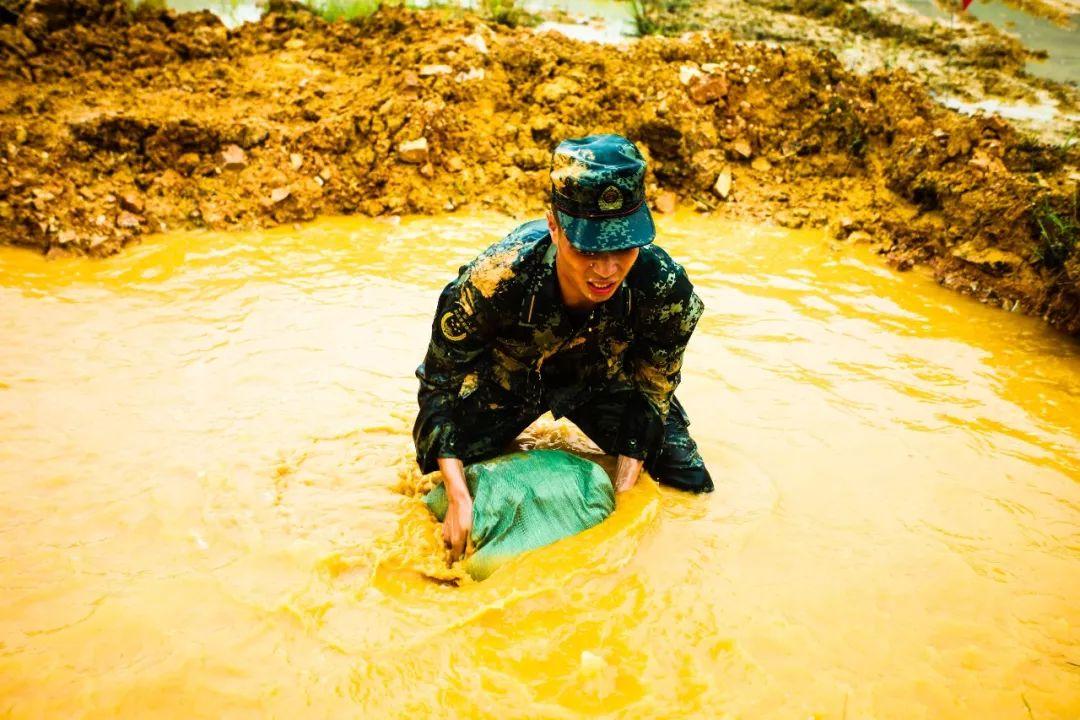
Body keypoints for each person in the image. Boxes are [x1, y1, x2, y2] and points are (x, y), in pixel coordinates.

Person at [413, 134, 713, 558]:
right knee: (434, 472)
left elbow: (653, 390)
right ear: (554, 226)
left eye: (623, 247)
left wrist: (624, 502)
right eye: (589, 248)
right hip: (508, 382)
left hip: (602, 381)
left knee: (689, 481)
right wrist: (460, 497)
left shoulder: (665, 289)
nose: (606, 270)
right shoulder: (495, 281)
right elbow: (438, 385)